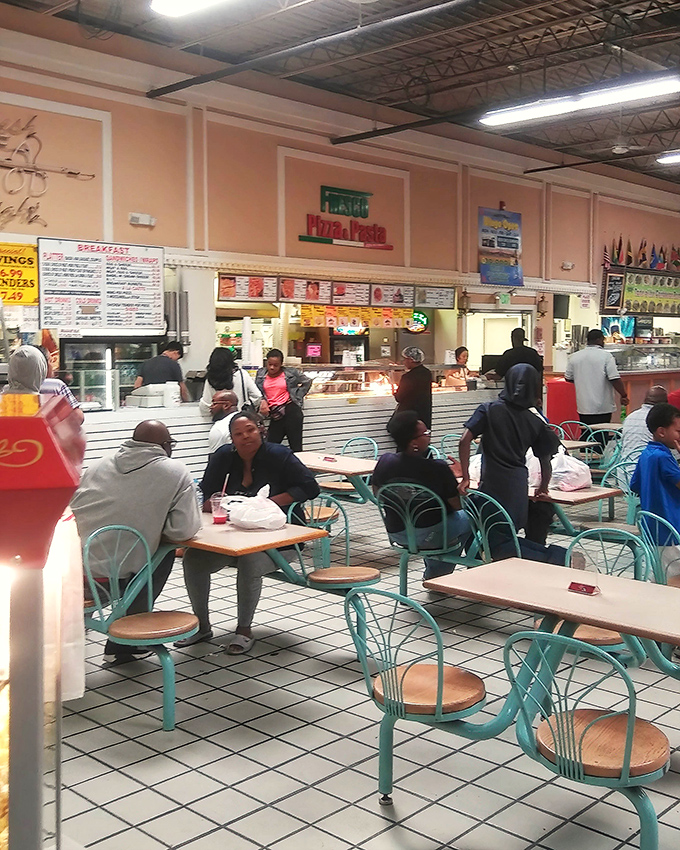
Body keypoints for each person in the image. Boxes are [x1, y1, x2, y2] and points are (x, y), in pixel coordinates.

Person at [180, 411, 320, 654]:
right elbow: (207, 495)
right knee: (193, 560)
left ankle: (244, 630)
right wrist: (217, 502)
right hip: (233, 536)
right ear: (231, 439)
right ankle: (201, 626)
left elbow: (310, 487)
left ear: (261, 430)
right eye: (238, 434)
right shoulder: (223, 457)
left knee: (250, 561)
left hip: (280, 538)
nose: (246, 437)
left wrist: (266, 504)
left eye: (251, 430)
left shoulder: (279, 455)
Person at [71, 420, 201, 665]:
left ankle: (115, 639)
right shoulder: (174, 471)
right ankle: (125, 642)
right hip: (107, 584)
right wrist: (154, 527)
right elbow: (183, 531)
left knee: (131, 550)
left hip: (71, 572)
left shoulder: (98, 465)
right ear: (166, 446)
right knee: (161, 556)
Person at [459, 364, 567, 565]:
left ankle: (556, 559)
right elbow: (546, 460)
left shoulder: (489, 410)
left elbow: (464, 440)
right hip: (517, 487)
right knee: (504, 539)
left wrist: (465, 477)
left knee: (495, 541)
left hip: (492, 484)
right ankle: (554, 557)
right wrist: (543, 488)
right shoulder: (534, 422)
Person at [372, 411, 471, 579]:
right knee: (472, 517)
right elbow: (457, 505)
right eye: (426, 433)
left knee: (445, 527)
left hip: (397, 533)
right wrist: (459, 476)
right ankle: (442, 573)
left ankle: (437, 573)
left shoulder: (385, 461)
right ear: (413, 442)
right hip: (432, 536)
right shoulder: (438, 468)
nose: (429, 436)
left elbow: (378, 494)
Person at [564, 329, 629, 429]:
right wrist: (623, 395)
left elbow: (568, 378)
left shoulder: (574, 357)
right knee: (601, 434)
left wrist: (582, 379)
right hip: (603, 405)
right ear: (599, 340)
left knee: (586, 432)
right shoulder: (606, 356)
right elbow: (614, 378)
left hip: (583, 405)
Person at [256, 349, 312, 453]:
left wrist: (297, 396)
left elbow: (307, 381)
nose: (272, 367)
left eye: (276, 365)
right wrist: (263, 401)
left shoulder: (290, 373)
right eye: (270, 364)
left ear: (281, 364)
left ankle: (296, 468)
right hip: (275, 414)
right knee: (269, 447)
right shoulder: (260, 374)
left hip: (291, 411)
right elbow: (257, 391)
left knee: (296, 448)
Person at [198, 347, 261, 416]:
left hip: (218, 419)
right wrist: (247, 405)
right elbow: (257, 396)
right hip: (239, 418)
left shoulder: (211, 378)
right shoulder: (242, 374)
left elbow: (205, 405)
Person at [34, 344, 85, 424]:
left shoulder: (9, 389)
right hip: (51, 434)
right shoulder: (56, 386)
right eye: (51, 361)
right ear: (43, 365)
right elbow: (78, 417)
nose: (54, 366)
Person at [620, 386, 668, 458]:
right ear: (665, 403)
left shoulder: (630, 417)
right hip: (647, 466)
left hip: (624, 466)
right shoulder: (661, 419)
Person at [392, 347, 433, 428]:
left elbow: (399, 398)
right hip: (424, 414)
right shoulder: (427, 373)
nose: (404, 362)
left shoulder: (407, 377)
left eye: (405, 359)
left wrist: (394, 392)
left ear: (411, 359)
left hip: (409, 416)